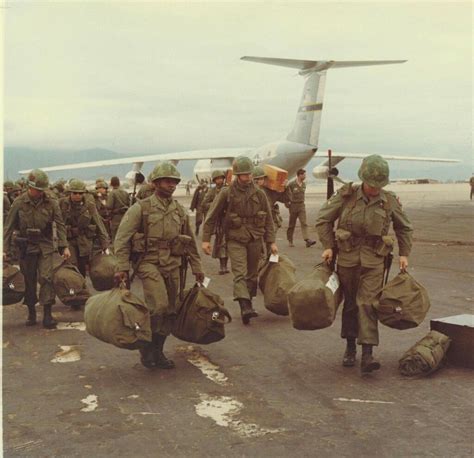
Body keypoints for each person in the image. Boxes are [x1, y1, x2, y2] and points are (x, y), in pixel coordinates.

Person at [315, 155, 413, 374]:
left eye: (379, 185)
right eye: (371, 185)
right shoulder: (346, 196)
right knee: (350, 303)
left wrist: (404, 254)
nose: (375, 189)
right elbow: (323, 219)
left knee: (367, 303)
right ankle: (350, 347)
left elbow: (404, 227)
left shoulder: (389, 201)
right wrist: (329, 245)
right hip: (348, 258)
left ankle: (367, 353)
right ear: (363, 180)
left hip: (375, 260)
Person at [114, 161, 204, 369]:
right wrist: (121, 267)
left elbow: (189, 241)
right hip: (149, 263)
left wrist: (197, 268)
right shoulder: (141, 208)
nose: (171, 185)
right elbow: (122, 238)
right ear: (155, 183)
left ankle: (158, 351)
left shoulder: (179, 211)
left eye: (174, 182)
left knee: (171, 310)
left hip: (173, 263)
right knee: (159, 306)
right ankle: (146, 347)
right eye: (166, 181)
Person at [202, 156, 277, 325]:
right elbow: (211, 216)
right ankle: (245, 306)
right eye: (244, 174)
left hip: (255, 238)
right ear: (237, 175)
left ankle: (248, 302)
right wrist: (206, 239)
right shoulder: (226, 192)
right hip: (235, 238)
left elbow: (269, 220)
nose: (248, 177)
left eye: (249, 174)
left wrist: (271, 242)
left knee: (252, 274)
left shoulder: (260, 193)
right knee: (240, 273)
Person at [3, 169, 71, 328]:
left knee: (46, 277)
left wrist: (64, 246)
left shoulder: (51, 202)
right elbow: (8, 227)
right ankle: (31, 311)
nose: (40, 193)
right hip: (26, 247)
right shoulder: (19, 203)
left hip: (45, 245)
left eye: (42, 190)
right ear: (29, 187)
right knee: (29, 280)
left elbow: (60, 225)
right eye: (37, 190)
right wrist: (4, 249)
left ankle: (47, 314)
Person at [59, 179, 109, 278]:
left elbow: (99, 224)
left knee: (82, 267)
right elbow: (58, 224)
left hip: (84, 241)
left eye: (80, 193)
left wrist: (105, 245)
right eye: (75, 193)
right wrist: (62, 244)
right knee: (72, 266)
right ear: (70, 193)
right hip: (69, 241)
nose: (78, 195)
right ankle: (74, 289)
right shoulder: (62, 204)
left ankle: (81, 288)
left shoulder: (89, 205)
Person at [201, 170, 230, 274]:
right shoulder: (212, 191)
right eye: (217, 179)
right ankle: (223, 266)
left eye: (221, 178)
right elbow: (204, 204)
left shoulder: (228, 189)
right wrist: (216, 204)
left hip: (229, 220)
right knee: (221, 243)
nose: (220, 180)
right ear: (214, 180)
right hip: (219, 221)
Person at [252, 166, 290, 236]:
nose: (259, 181)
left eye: (261, 178)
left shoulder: (270, 191)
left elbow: (286, 199)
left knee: (269, 243)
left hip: (269, 223)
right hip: (254, 225)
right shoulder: (248, 192)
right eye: (256, 179)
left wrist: (286, 188)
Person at [286, 168, 316, 248]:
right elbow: (286, 194)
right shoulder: (291, 184)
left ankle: (307, 240)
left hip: (301, 206)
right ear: (299, 175)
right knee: (292, 224)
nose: (305, 176)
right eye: (304, 175)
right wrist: (287, 203)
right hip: (293, 206)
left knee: (304, 222)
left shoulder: (304, 184)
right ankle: (290, 240)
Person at [106, 176, 130, 241]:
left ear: (111, 184)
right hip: (125, 218)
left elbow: (109, 206)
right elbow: (130, 204)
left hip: (116, 218)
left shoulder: (112, 193)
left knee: (116, 238)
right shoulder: (125, 192)